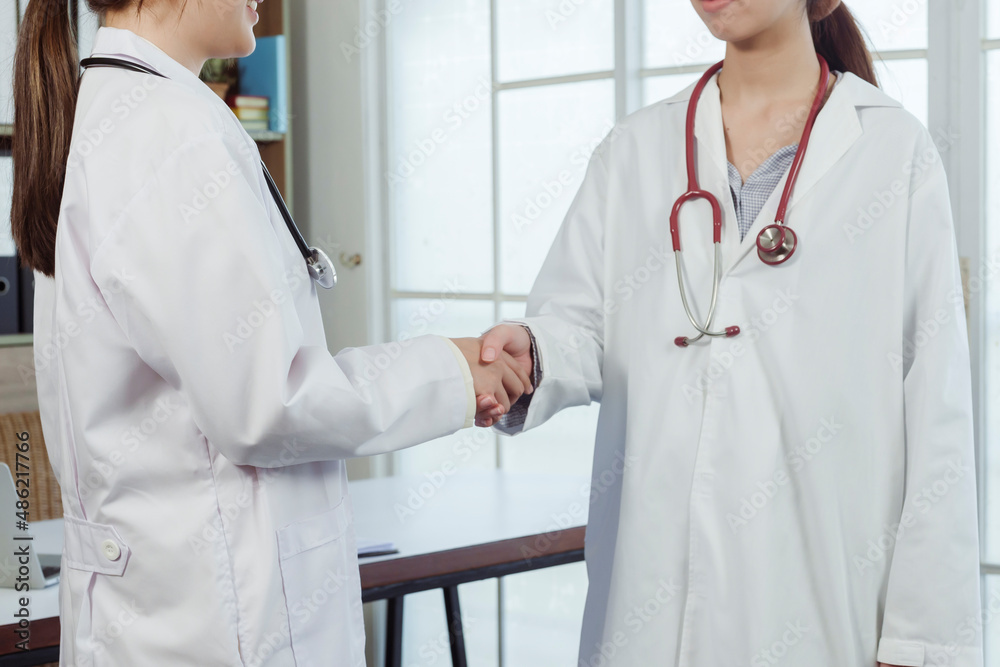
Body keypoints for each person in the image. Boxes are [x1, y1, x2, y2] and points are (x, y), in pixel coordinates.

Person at [11, 0, 530, 664]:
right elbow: (265, 403)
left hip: (163, 613)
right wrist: (453, 370)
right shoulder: (168, 128)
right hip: (220, 625)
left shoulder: (119, 109)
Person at [475, 1, 983, 665]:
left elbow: (937, 407)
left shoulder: (893, 152)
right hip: (651, 593)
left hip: (820, 597)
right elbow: (579, 326)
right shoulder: (635, 150)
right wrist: (533, 356)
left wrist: (922, 643)